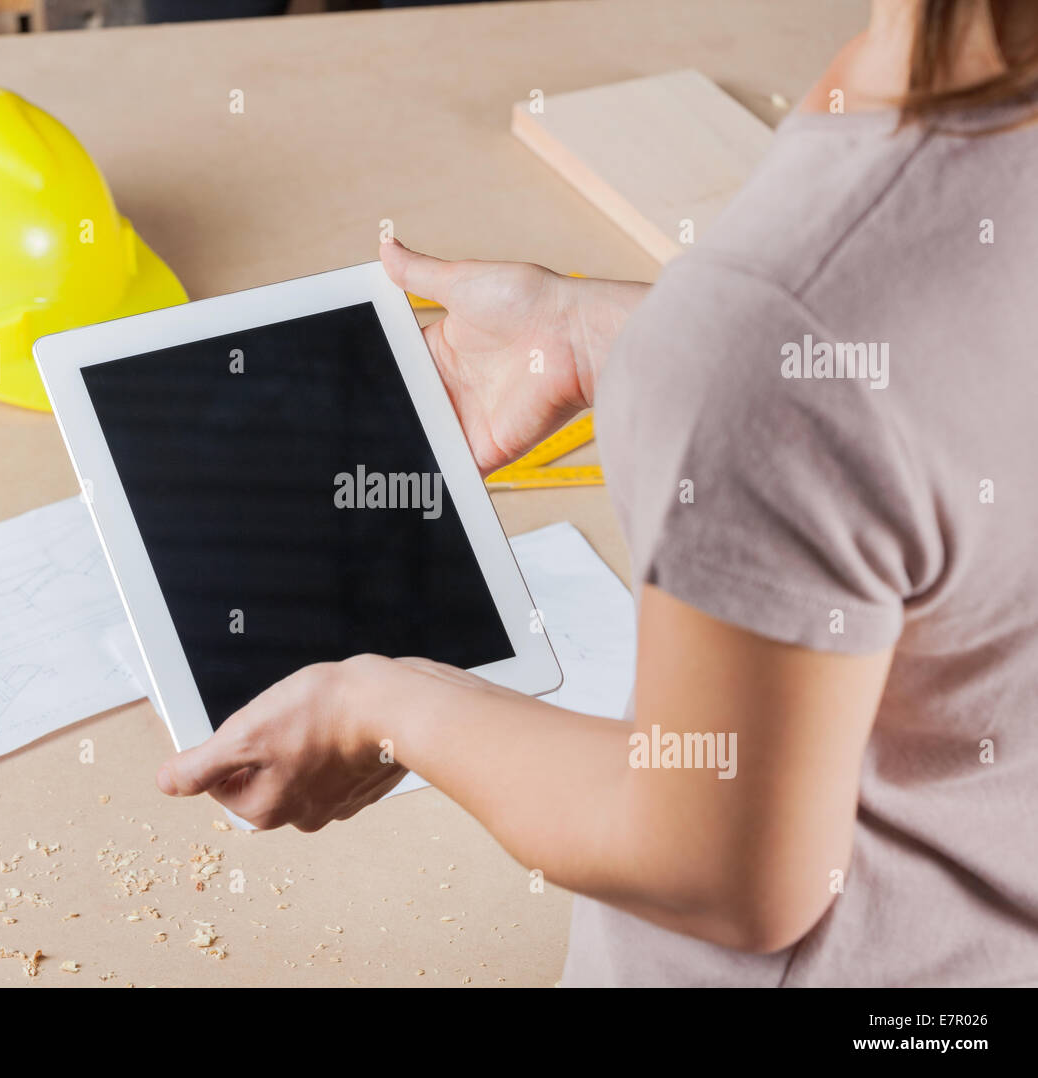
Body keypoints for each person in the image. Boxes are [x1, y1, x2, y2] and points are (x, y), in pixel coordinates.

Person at [157, 0, 1038, 986]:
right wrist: (618, 338)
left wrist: (379, 699)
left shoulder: (796, 289)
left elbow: (715, 871)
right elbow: (946, 391)